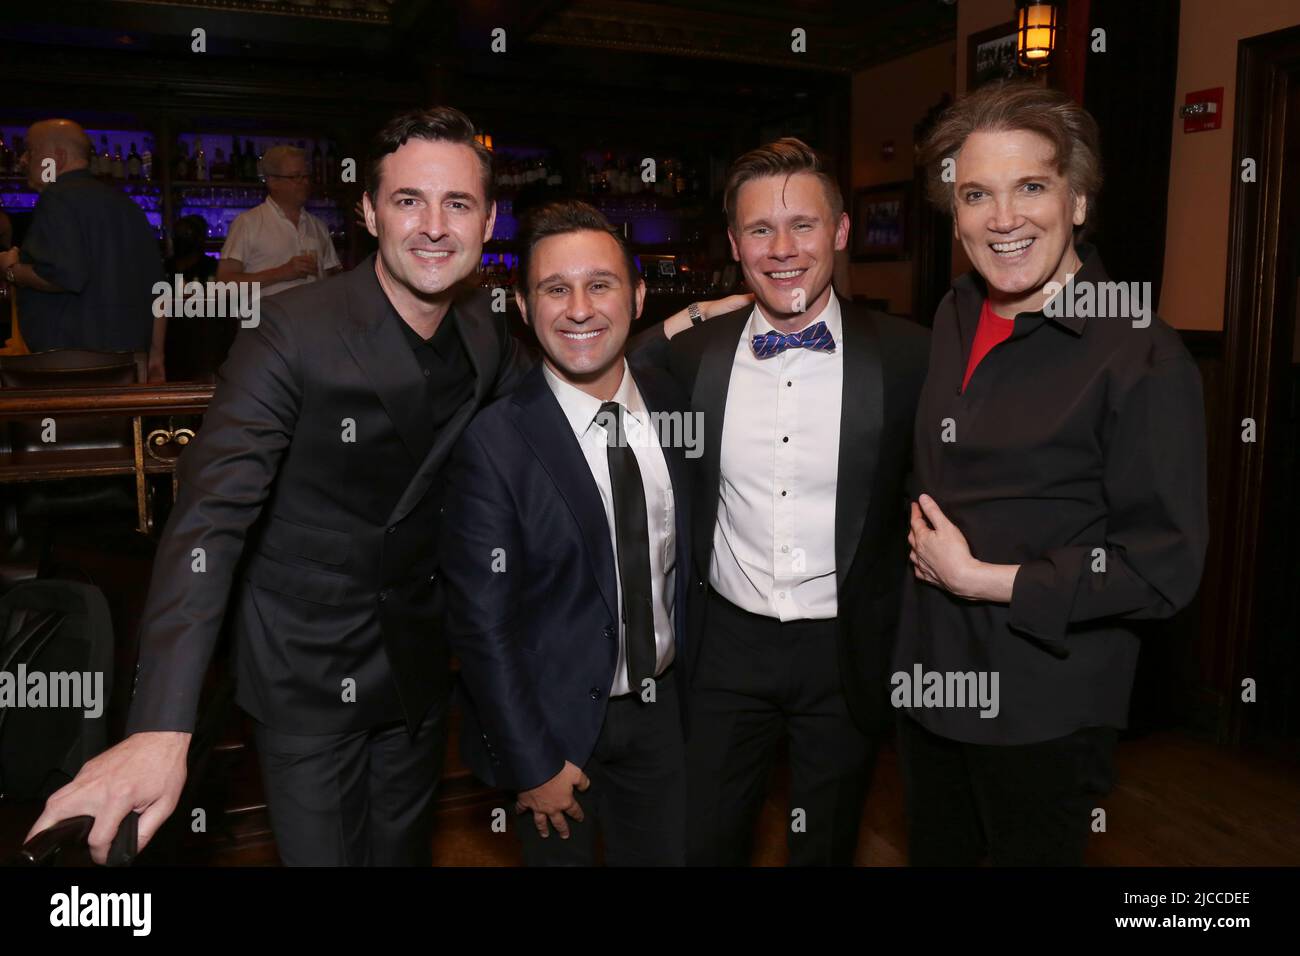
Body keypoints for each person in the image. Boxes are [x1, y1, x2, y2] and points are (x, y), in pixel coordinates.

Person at [895, 80, 1208, 866]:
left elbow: (1163, 566)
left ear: (1077, 200)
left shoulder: (1140, 351)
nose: (1003, 219)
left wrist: (986, 579)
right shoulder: (954, 313)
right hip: (932, 682)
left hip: (1044, 704)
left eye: (1030, 186)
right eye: (976, 195)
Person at [635, 138, 930, 865]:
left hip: (844, 647)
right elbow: (615, 368)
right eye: (760, 229)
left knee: (825, 845)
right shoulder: (696, 355)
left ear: (839, 232)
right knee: (702, 839)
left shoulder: (906, 356)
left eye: (803, 224)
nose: (782, 247)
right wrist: (685, 316)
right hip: (726, 644)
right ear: (735, 245)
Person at [440, 200, 692, 865]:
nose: (579, 308)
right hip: (552, 733)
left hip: (664, 714)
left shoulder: (674, 403)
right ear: (524, 307)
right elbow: (481, 626)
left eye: (600, 284)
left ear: (637, 296)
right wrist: (533, 764)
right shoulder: (494, 443)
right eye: (555, 288)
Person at [0, 119, 165, 378]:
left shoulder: (58, 196)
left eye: (30, 151)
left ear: (58, 157)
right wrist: (156, 357)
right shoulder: (128, 206)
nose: (22, 160)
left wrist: (12, 269)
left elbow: (63, 274)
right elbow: (158, 290)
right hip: (127, 367)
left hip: (71, 369)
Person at [216, 144, 340, 297]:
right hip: (265, 320)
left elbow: (333, 279)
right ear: (272, 181)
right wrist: (281, 273)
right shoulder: (248, 223)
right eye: (296, 176)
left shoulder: (318, 226)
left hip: (315, 319)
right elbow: (225, 285)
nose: (305, 182)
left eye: (306, 176)